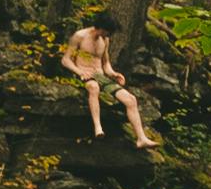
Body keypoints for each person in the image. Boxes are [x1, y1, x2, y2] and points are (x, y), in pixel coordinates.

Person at [59, 20, 159, 151]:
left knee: (131, 100)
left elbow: (105, 63)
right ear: (100, 27)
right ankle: (98, 127)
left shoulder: (104, 40)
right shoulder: (80, 36)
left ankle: (141, 138)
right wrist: (80, 72)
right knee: (94, 88)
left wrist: (114, 74)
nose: (108, 35)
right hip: (84, 75)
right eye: (107, 32)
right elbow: (65, 60)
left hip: (101, 76)